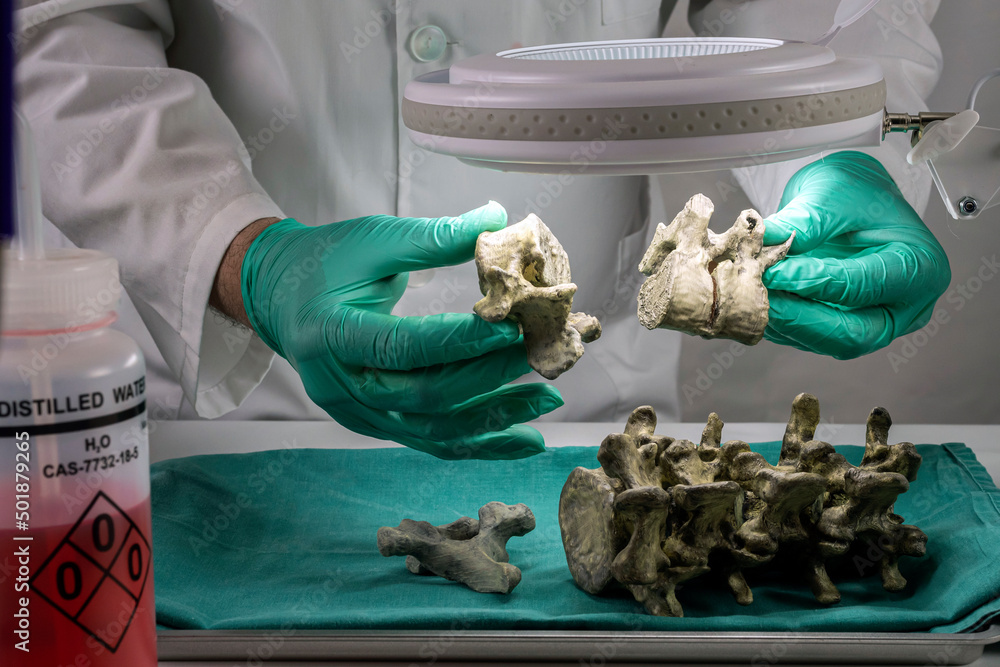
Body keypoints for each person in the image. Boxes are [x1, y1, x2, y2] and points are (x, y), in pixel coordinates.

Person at [12, 0, 950, 459]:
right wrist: (237, 253)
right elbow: (70, 26)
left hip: (586, 420)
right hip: (220, 425)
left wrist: (835, 147)